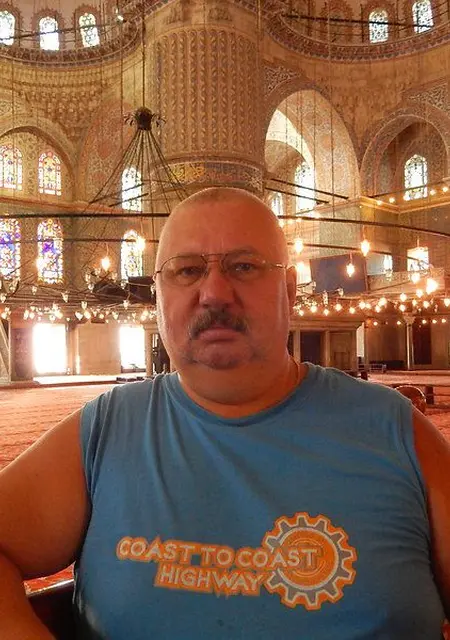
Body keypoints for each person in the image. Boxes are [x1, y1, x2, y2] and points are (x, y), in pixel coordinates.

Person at [0, 186, 449, 639]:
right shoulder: (106, 430)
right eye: (187, 270)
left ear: (288, 290)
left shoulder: (396, 431)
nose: (214, 293)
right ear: (158, 295)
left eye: (244, 266)